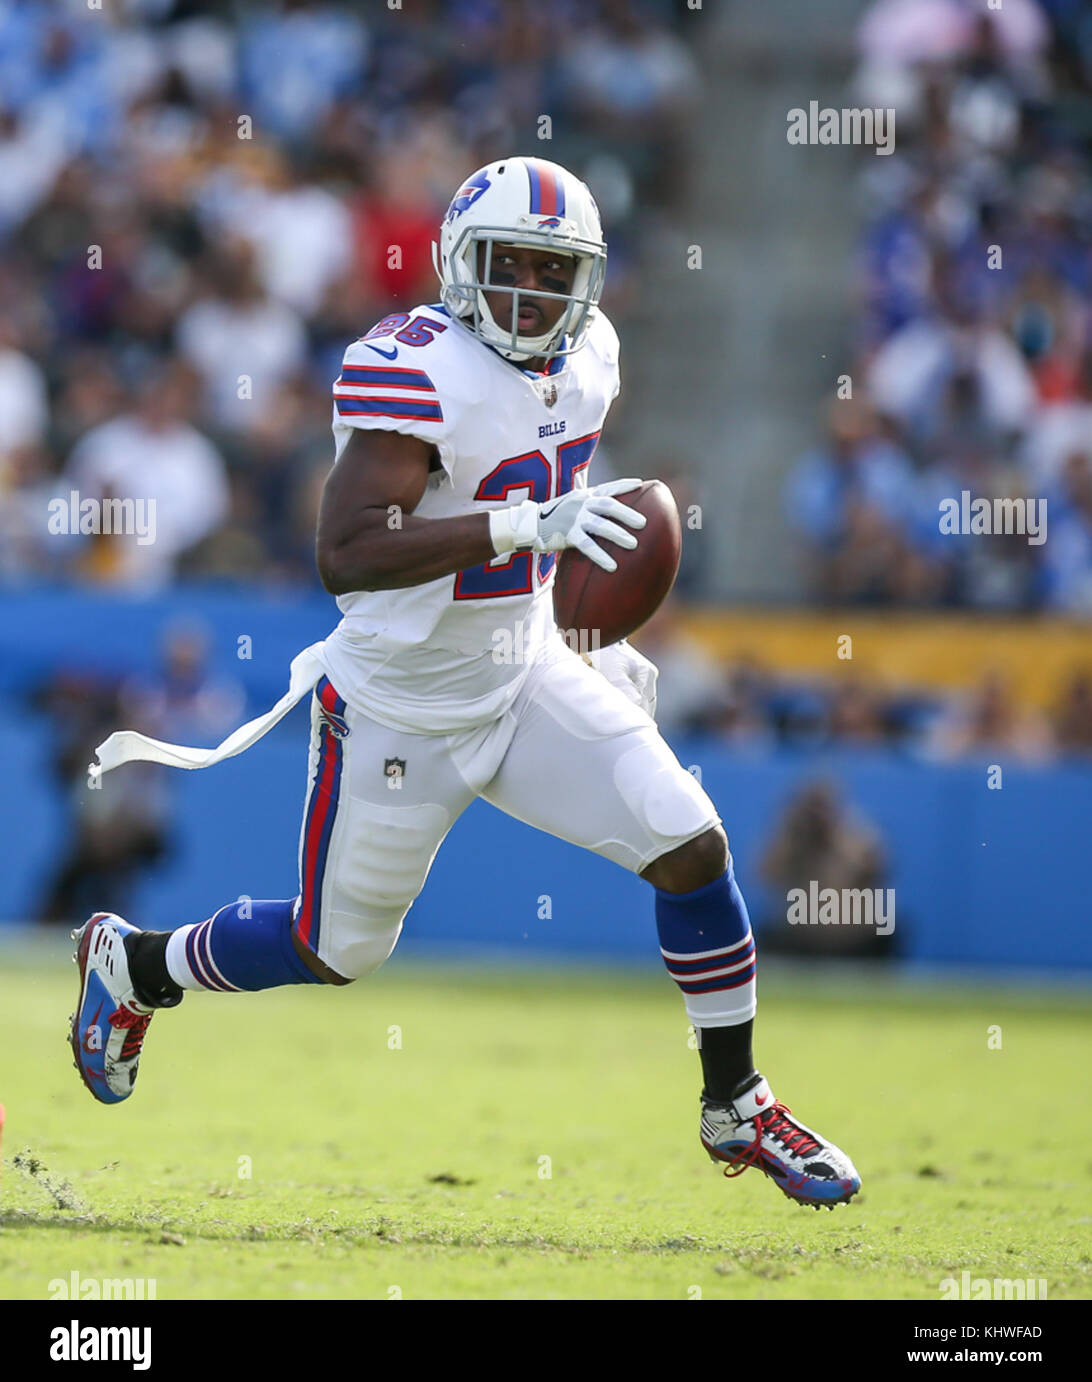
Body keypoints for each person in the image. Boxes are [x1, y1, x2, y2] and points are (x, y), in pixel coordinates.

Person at [70, 157, 859, 1209]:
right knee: (334, 946)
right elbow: (347, 550)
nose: (533, 294)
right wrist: (526, 526)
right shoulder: (414, 366)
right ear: (456, 266)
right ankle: (138, 966)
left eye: (555, 271)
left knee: (689, 837)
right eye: (511, 267)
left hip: (525, 668)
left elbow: (550, 487)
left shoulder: (592, 358)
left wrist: (586, 629)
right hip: (399, 703)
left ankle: (737, 1103)